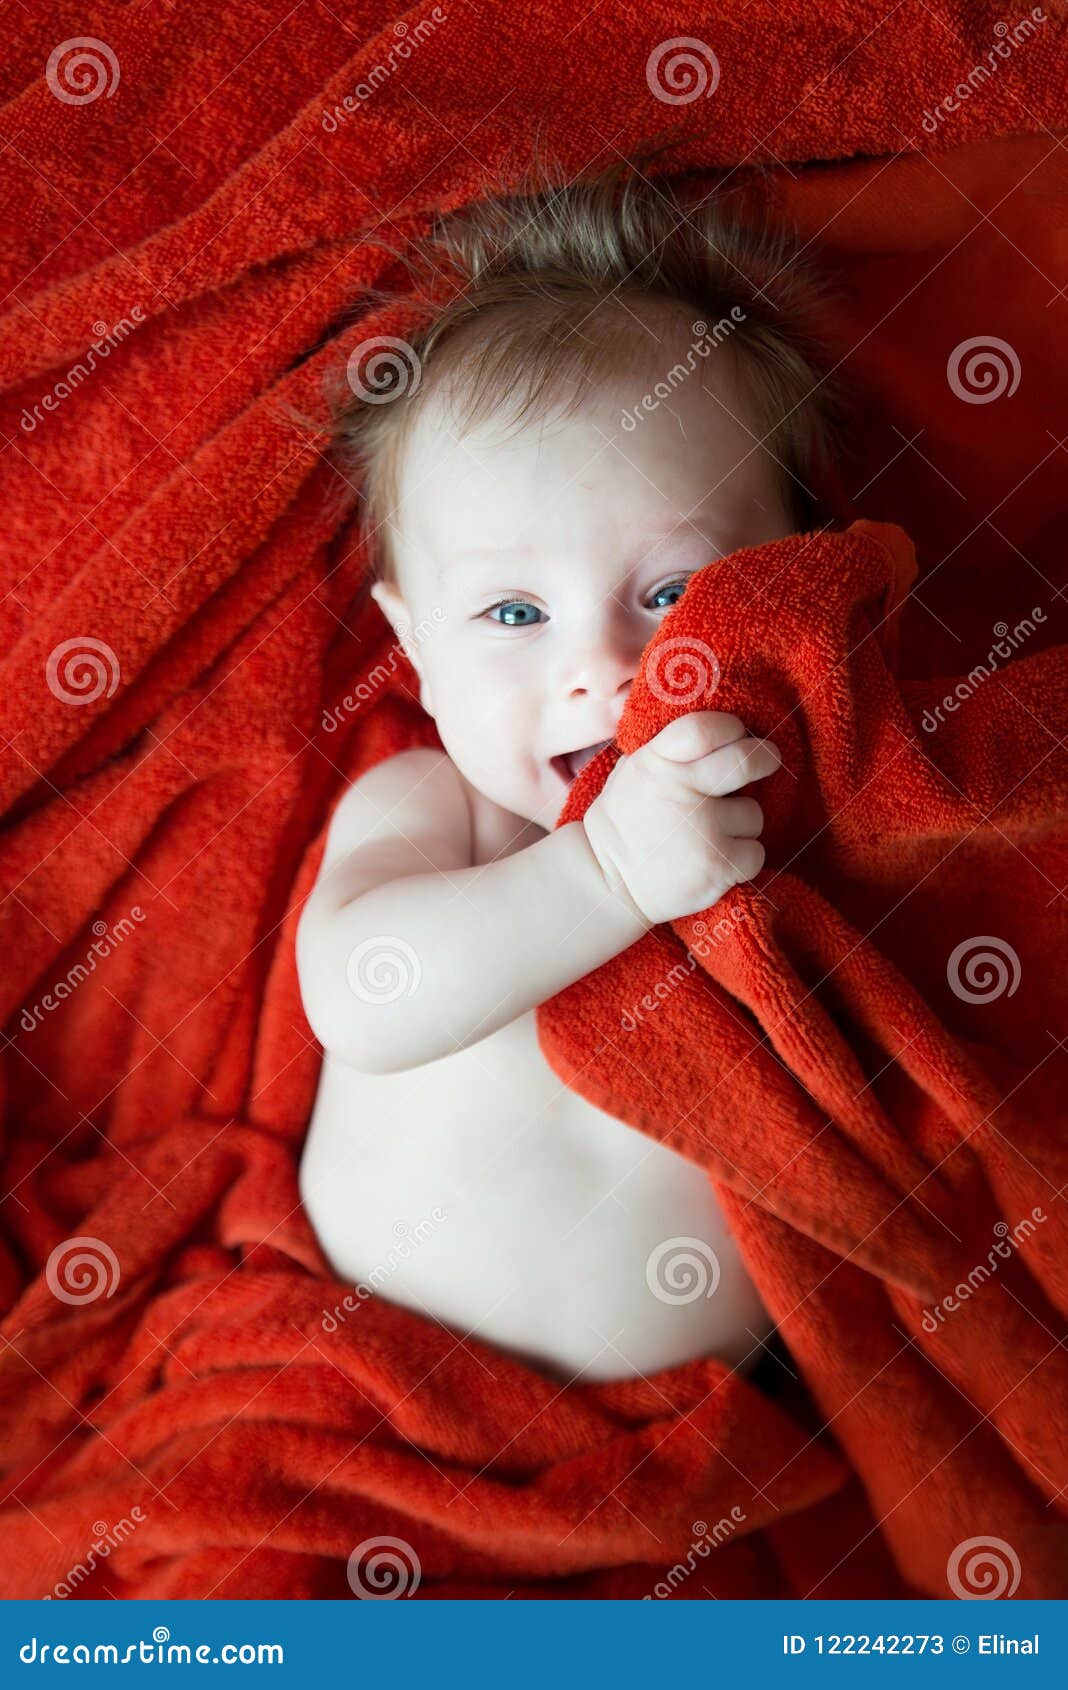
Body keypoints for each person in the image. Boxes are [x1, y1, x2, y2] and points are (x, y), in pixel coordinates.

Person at [296, 155, 842, 1383]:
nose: (601, 664)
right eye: (510, 614)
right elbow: (362, 997)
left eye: (670, 591)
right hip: (377, 1379)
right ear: (414, 647)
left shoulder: (798, 812)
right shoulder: (436, 813)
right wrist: (605, 873)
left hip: (708, 1429)